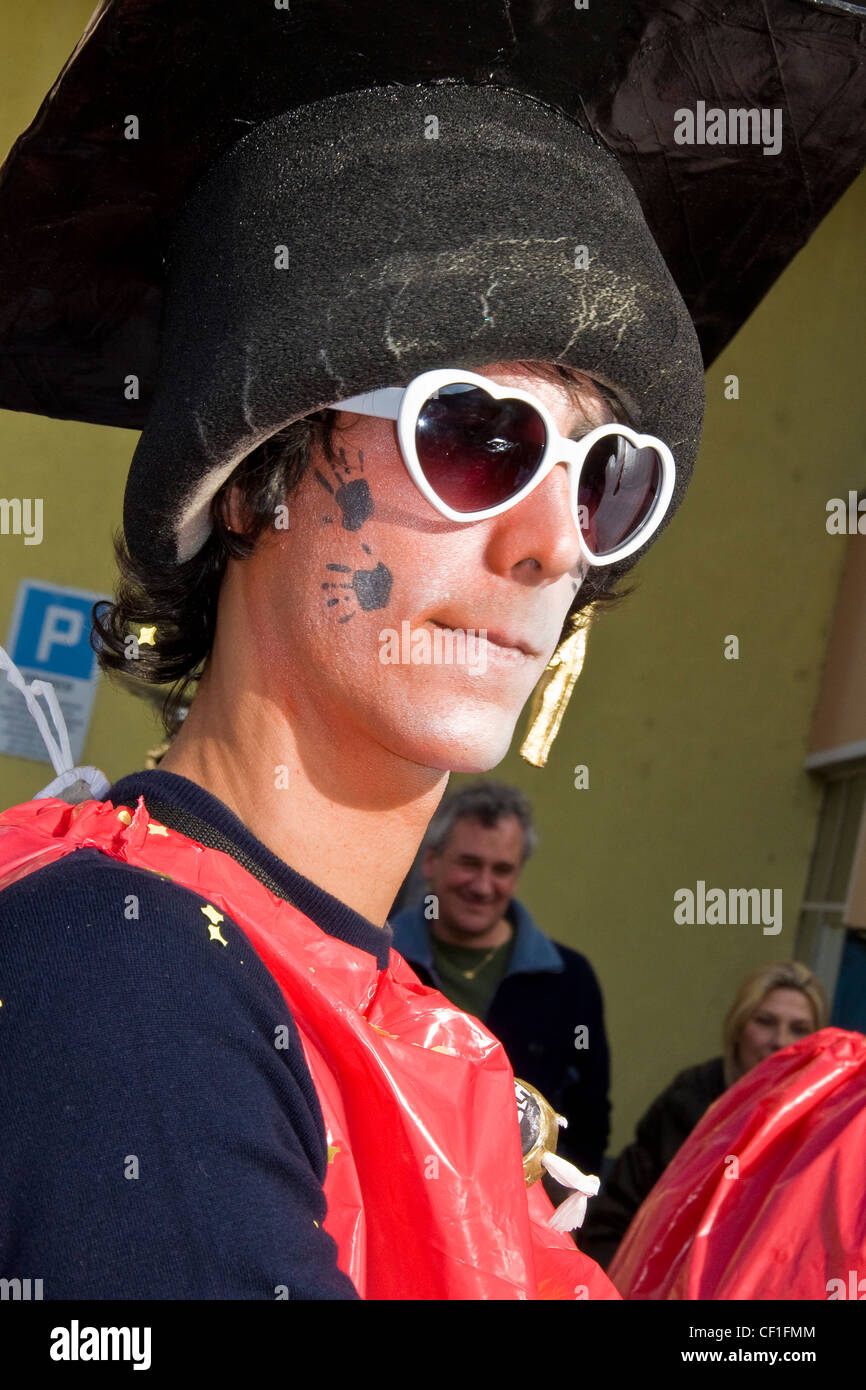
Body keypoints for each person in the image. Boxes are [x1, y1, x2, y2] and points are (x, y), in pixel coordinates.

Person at [392, 781, 611, 1175]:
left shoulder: (569, 980)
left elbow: (588, 1119)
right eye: (469, 863)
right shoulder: (379, 956)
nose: (482, 886)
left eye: (502, 870)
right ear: (430, 862)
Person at [579, 961, 829, 1269]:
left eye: (799, 1029)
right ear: (737, 1030)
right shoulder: (689, 1101)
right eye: (765, 1022)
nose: (780, 1040)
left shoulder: (826, 1123)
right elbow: (615, 1220)